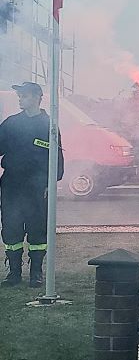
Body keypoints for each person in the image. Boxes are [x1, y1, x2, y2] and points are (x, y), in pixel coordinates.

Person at [0, 82, 63, 287]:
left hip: (37, 186)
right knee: (11, 228)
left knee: (37, 229)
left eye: (24, 96)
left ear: (37, 98)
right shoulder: (11, 123)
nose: (20, 99)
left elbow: (57, 158)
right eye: (19, 96)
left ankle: (36, 272)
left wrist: (50, 183)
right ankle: (14, 273)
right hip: (12, 185)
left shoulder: (48, 125)